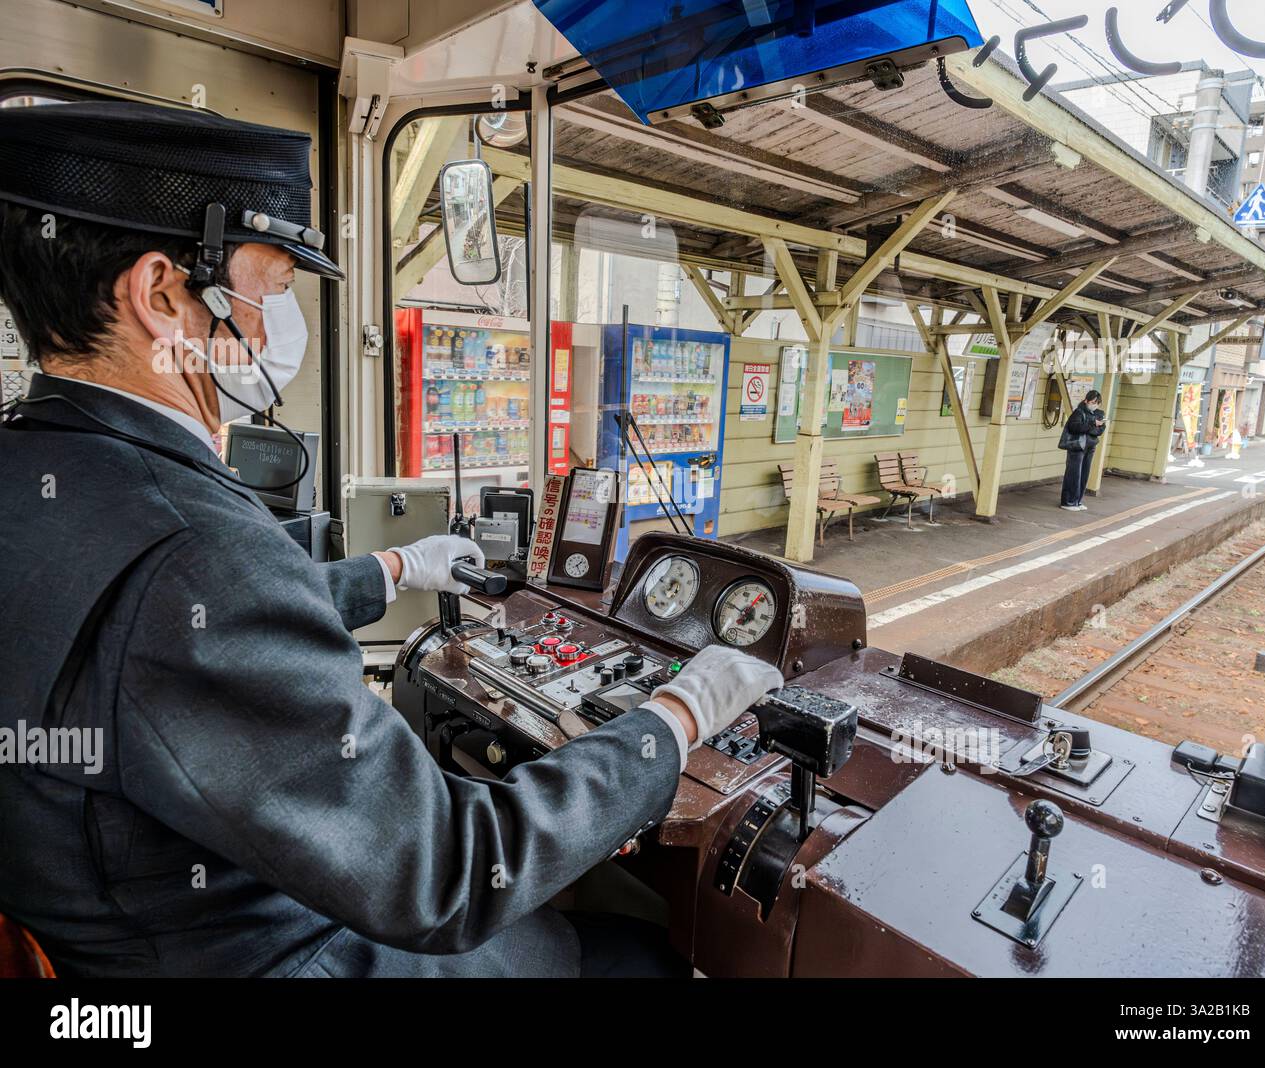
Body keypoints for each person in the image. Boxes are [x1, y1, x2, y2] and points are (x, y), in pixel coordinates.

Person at [0, 101, 783, 978]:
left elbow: (166, 645)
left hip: (120, 939)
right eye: (266, 294)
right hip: (282, 952)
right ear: (158, 295)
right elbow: (443, 875)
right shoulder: (195, 550)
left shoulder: (37, 472)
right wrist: (670, 721)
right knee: (635, 957)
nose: (270, 329)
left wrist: (393, 568)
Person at [1059, 389, 1105, 511]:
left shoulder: (1099, 414)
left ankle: (1077, 501)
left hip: (1090, 447)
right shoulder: (1078, 412)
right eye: (1093, 401)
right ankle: (1068, 502)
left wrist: (1091, 427)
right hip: (1077, 447)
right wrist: (1092, 424)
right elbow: (1074, 427)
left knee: (1084, 474)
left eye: (1097, 402)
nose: (1095, 404)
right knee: (1073, 474)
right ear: (1086, 400)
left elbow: (1100, 430)